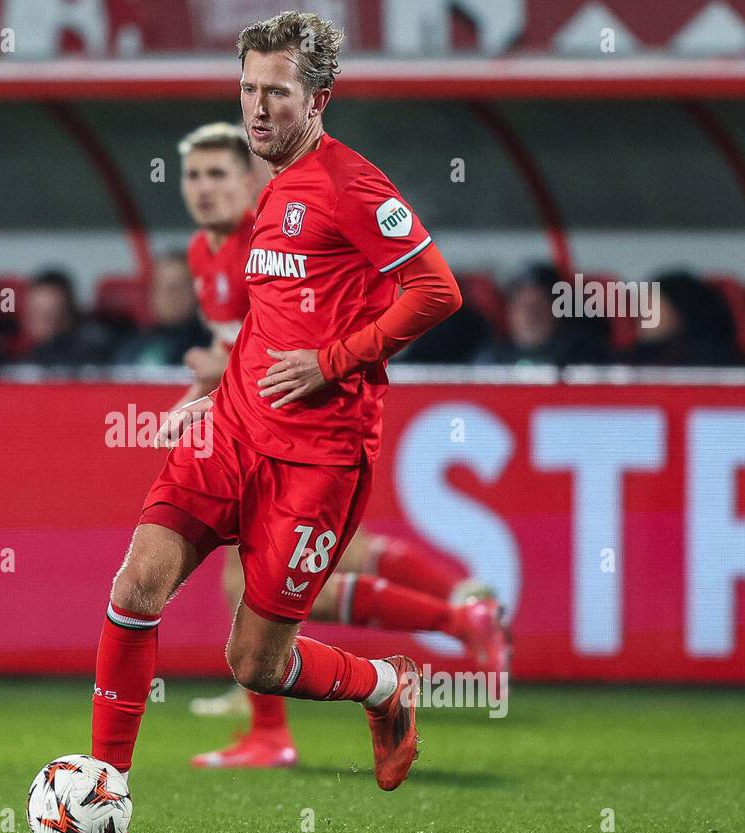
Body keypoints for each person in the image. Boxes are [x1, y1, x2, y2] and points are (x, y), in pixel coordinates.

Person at [82, 12, 465, 811]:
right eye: (249, 90)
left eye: (278, 93)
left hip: (319, 457)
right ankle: (104, 784)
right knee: (135, 586)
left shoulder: (350, 184)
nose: (258, 108)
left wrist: (333, 362)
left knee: (254, 663)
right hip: (232, 433)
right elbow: (273, 315)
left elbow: (437, 290)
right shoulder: (268, 194)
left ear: (319, 97)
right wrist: (211, 392)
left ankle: (384, 685)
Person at [170, 124, 508, 770]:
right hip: (255, 426)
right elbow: (239, 348)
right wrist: (200, 387)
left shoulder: (267, 237)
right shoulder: (200, 253)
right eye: (193, 176)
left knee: (279, 578)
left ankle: (281, 723)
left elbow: (279, 338)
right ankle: (455, 623)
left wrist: (224, 376)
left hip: (306, 430)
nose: (204, 189)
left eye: (219, 175)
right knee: (276, 577)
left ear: (250, 181)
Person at [474, 263, 609, 366]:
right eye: (523, 304)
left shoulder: (586, 360)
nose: (530, 314)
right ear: (509, 311)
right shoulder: (490, 362)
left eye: (540, 304)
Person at [620, 271, 744, 366]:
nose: (640, 313)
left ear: (679, 310)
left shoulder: (715, 362)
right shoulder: (633, 361)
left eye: (650, 306)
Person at [111, 252, 210, 366]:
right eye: (160, 286)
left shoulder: (209, 350)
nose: (168, 295)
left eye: (177, 287)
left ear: (196, 292)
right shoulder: (131, 345)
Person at [17, 269, 114, 366]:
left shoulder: (93, 350)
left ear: (71, 313)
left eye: (51, 315)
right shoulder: (13, 351)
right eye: (36, 312)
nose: (42, 323)